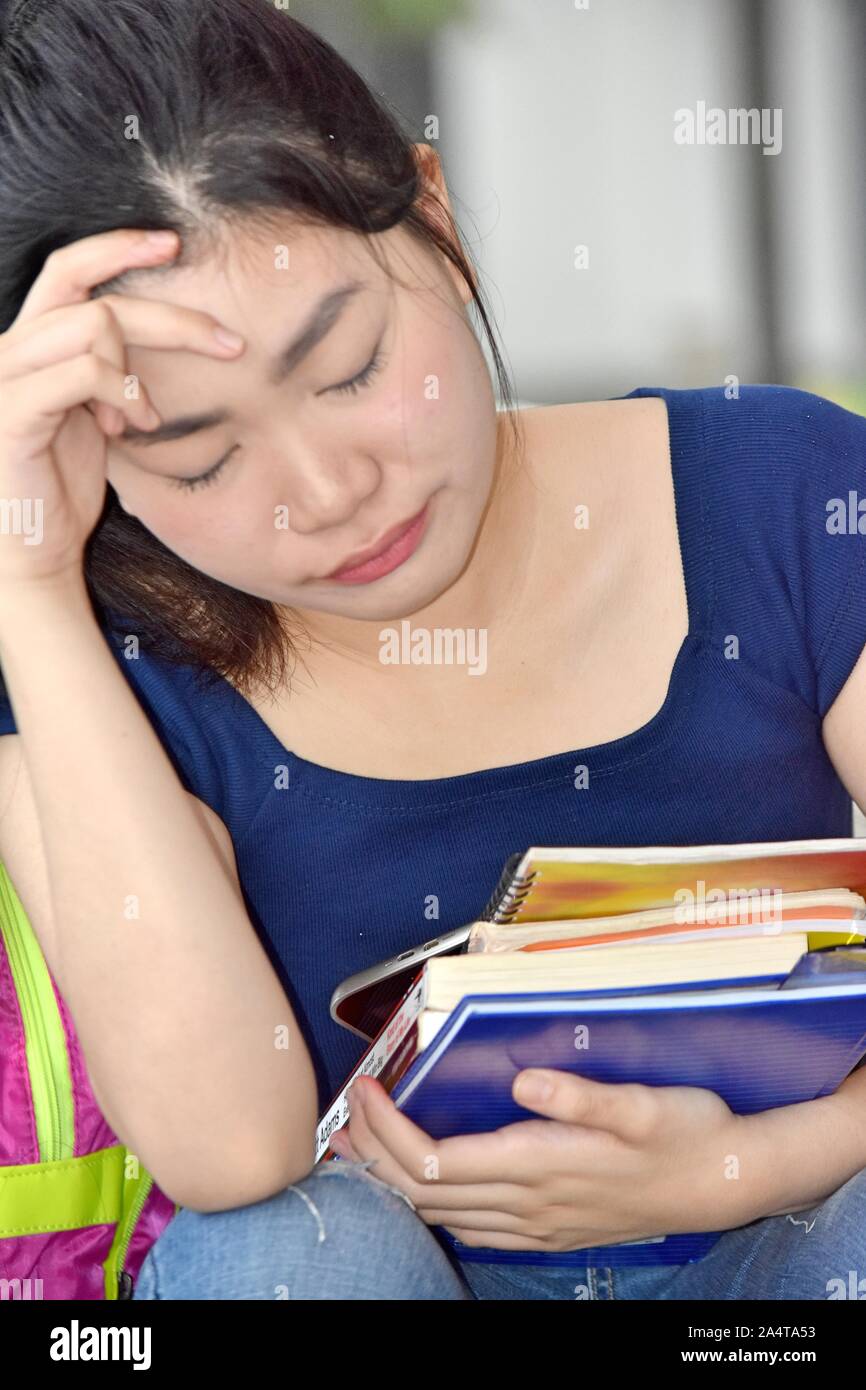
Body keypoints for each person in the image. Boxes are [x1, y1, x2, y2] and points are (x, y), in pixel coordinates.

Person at [1, 0, 866, 1302]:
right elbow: (229, 1152)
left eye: (346, 367)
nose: (324, 489)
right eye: (202, 454)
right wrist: (27, 587)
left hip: (794, 1249)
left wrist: (742, 1166)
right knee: (276, 1251)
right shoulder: (99, 661)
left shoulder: (778, 484)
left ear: (437, 219)